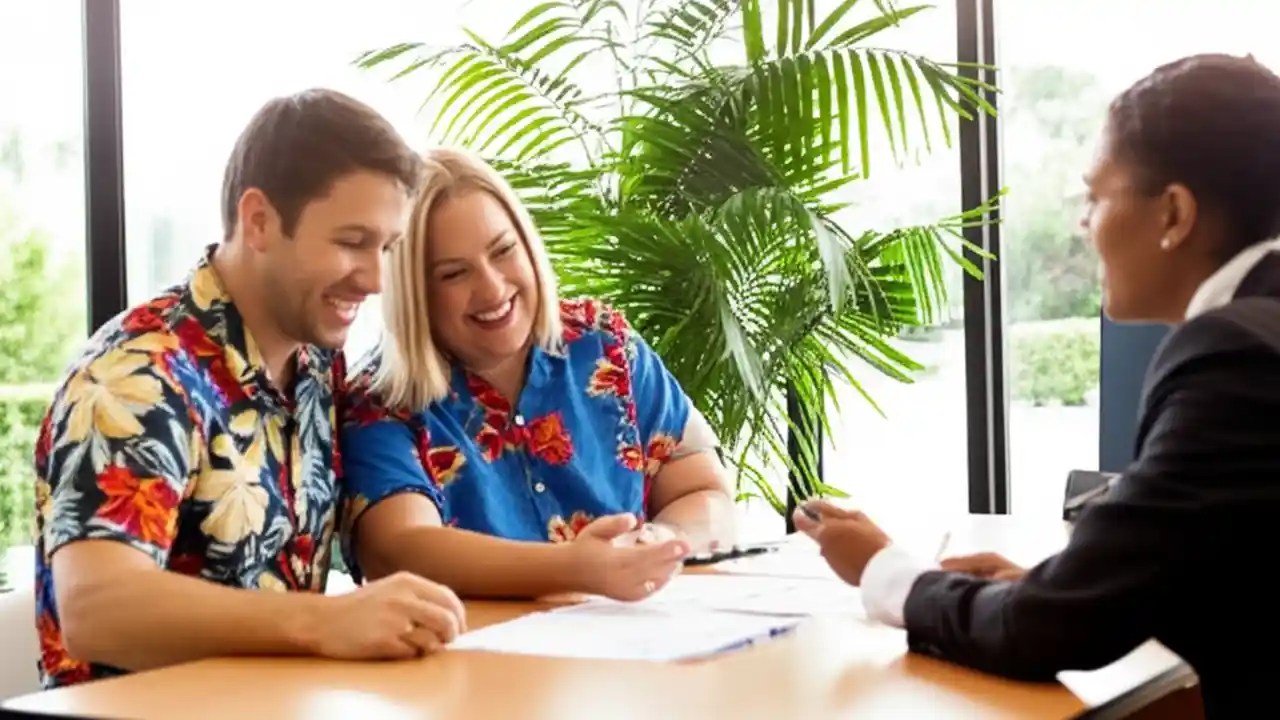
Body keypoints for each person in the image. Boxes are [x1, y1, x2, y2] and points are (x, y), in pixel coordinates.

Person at [792, 53, 1280, 717]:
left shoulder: (1233, 355)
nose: (1084, 227)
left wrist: (885, 570)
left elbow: (1050, 632)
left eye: (1095, 197)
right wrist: (1083, 583)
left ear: (1173, 214)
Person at [33, 89, 467, 689]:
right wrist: (325, 621)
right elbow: (96, 610)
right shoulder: (139, 375)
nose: (374, 279)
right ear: (258, 220)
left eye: (387, 247)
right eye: (350, 242)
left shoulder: (316, 364)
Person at [339, 147, 738, 601]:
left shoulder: (605, 345)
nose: (492, 288)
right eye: (454, 274)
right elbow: (400, 550)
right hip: (471, 665)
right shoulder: (381, 402)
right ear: (414, 296)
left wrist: (654, 543)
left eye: (503, 251)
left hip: (633, 654)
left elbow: (706, 490)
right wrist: (578, 568)